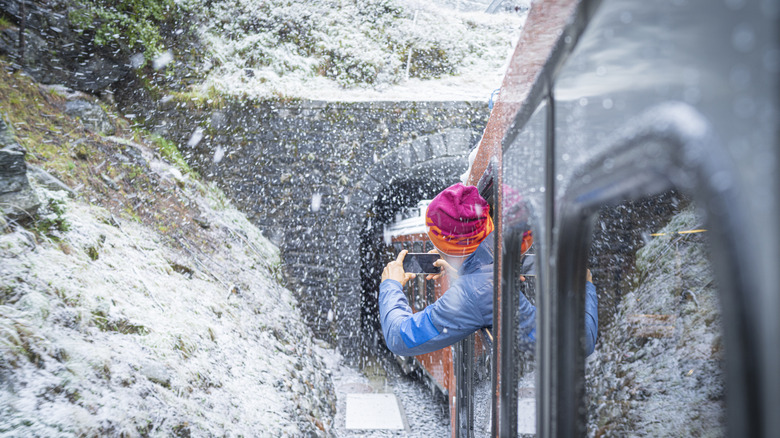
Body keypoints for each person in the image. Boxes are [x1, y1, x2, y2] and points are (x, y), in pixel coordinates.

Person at [379, 182, 598, 357]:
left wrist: (391, 285)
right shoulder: (487, 268)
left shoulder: (476, 293)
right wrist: (464, 271)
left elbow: (401, 337)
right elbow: (483, 277)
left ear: (445, 247)